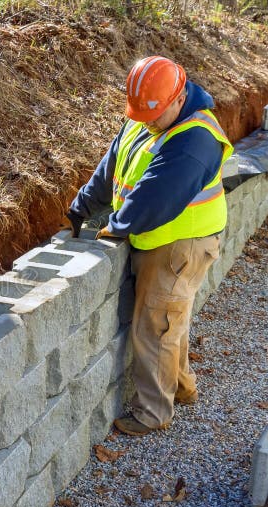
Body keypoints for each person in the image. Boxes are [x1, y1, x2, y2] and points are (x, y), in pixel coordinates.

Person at [65, 56, 232, 436]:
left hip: (181, 244)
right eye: (139, 114)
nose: (146, 122)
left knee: (157, 326)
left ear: (179, 98)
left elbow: (156, 198)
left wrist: (114, 228)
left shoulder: (195, 139)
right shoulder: (147, 116)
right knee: (171, 319)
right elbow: (113, 164)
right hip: (160, 239)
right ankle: (184, 388)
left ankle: (153, 413)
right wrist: (81, 208)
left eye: (153, 115)